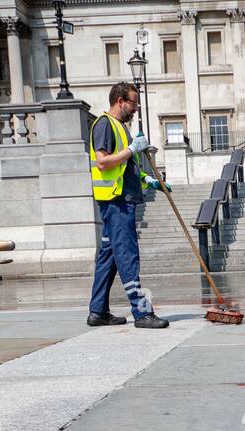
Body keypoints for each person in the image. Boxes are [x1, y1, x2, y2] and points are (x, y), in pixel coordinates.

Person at [86, 81, 168, 329]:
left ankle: (98, 311)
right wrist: (132, 149)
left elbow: (124, 167)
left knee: (109, 257)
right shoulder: (104, 124)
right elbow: (103, 162)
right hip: (116, 202)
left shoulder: (120, 127)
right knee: (127, 256)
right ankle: (142, 313)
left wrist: (147, 179)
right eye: (133, 102)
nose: (136, 107)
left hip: (120, 198)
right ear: (120, 101)